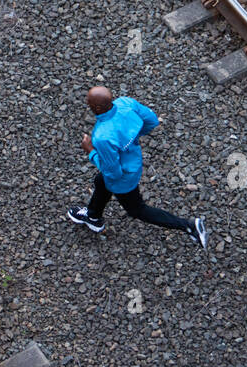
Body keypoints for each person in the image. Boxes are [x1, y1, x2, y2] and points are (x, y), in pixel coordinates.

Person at [68, 86, 208, 248]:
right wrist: (130, 138)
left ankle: (190, 226)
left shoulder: (102, 136)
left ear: (97, 108)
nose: (87, 103)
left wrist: (91, 151)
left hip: (123, 178)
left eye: (88, 101)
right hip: (134, 161)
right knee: (101, 182)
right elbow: (152, 121)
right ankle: (93, 216)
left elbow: (113, 172)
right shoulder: (125, 103)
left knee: (137, 210)